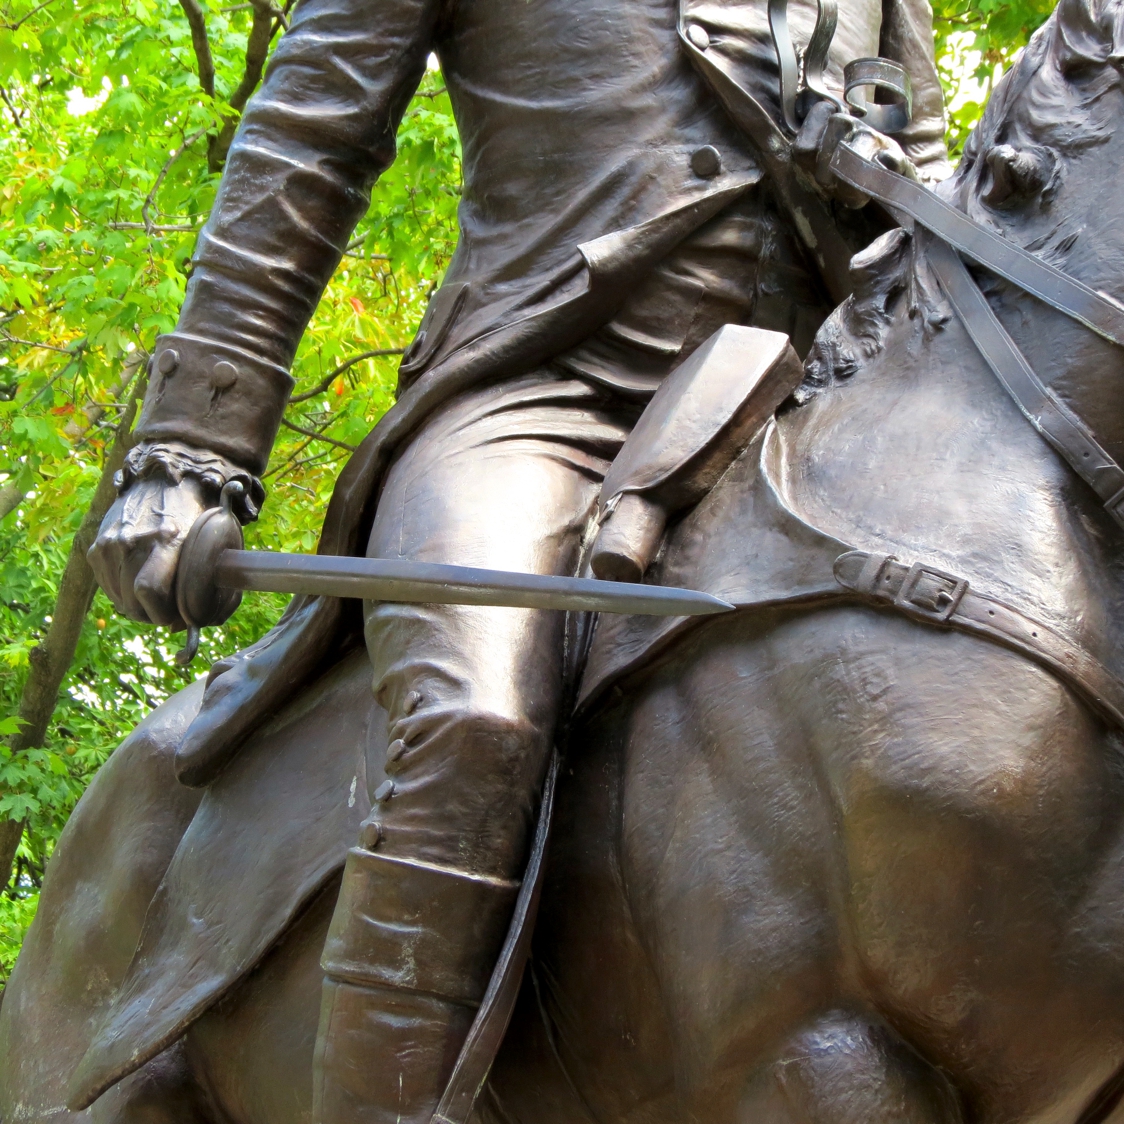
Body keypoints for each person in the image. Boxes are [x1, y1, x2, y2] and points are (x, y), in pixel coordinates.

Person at [87, 0, 949, 1119]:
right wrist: (190, 446)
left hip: (810, 419)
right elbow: (309, 140)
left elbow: (930, 184)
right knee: (472, 715)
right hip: (545, 399)